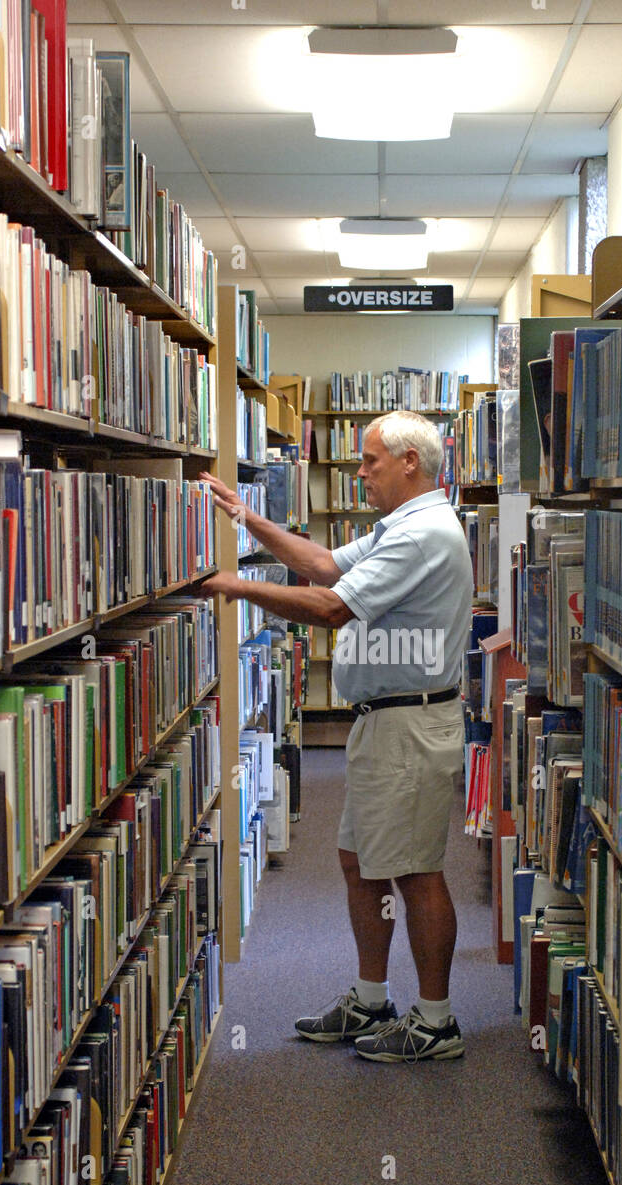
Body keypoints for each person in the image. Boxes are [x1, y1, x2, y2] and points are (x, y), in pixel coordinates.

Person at [200, 409, 474, 1062]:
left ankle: (436, 1023)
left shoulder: (425, 534)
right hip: (385, 724)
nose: (360, 473)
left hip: (408, 726)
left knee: (414, 870)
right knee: (361, 862)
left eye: (370, 461)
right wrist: (247, 519)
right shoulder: (402, 526)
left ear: (411, 461)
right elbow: (324, 564)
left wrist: (238, 586)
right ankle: (371, 999)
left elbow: (331, 607)